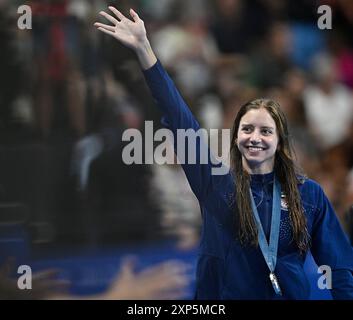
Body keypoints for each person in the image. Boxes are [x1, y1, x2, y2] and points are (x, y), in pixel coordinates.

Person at [94, 5, 353, 299]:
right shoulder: (218, 186)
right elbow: (181, 122)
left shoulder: (309, 195)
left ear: (280, 143)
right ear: (236, 138)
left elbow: (341, 267)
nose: (255, 137)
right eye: (247, 129)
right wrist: (145, 52)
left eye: (265, 131)